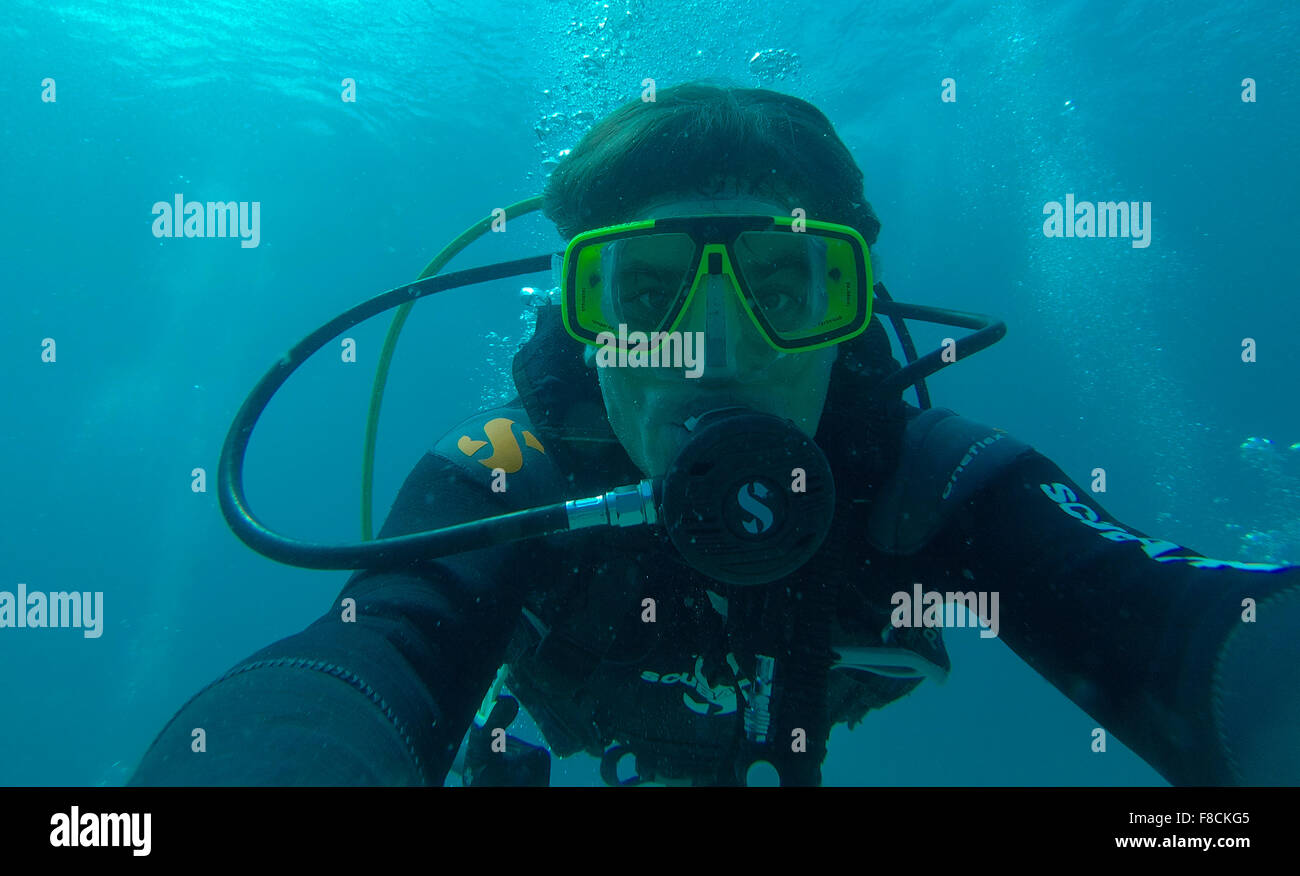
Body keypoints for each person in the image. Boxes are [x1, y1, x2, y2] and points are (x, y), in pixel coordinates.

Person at [129, 82, 1300, 787]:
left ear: (851, 312)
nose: (713, 346)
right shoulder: (507, 477)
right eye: (642, 294)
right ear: (578, 328)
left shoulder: (921, 480)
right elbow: (360, 658)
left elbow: (1195, 631)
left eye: (786, 284)